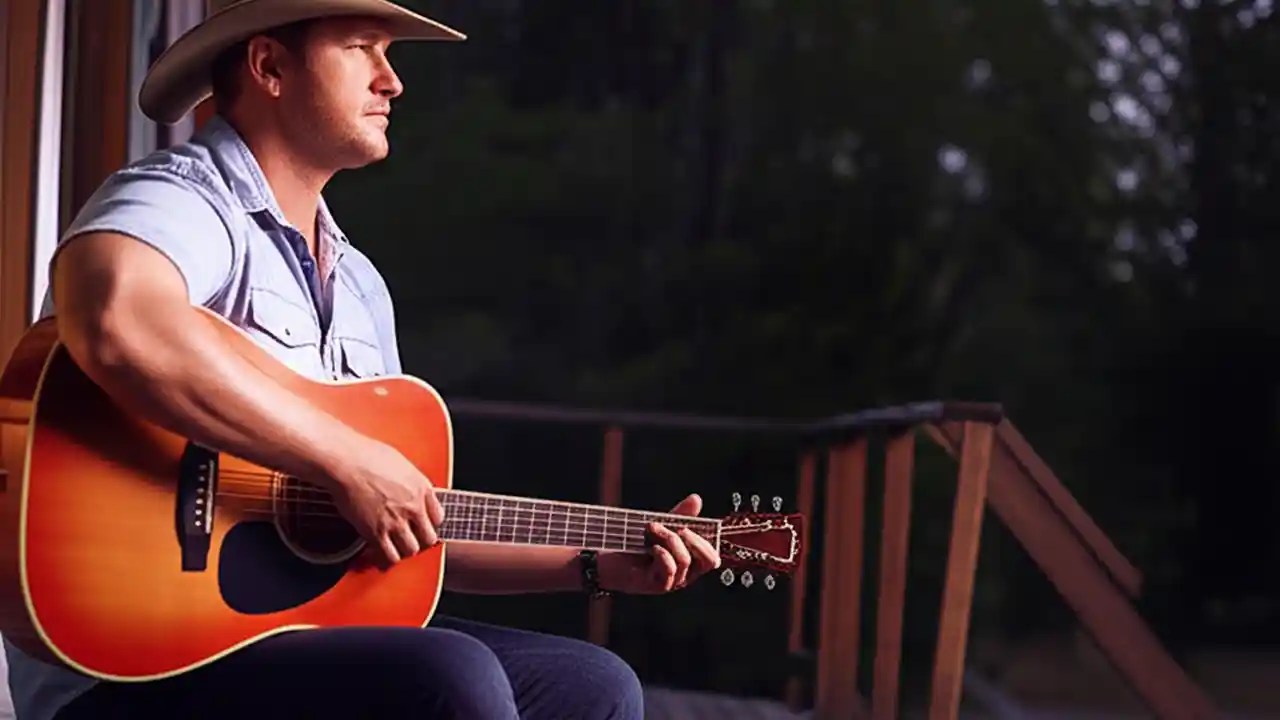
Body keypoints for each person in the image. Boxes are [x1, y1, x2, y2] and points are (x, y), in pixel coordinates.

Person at [4, 1, 722, 718]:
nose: (392, 81)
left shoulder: (356, 285)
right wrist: (343, 458)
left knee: (593, 686)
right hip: (127, 665)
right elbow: (117, 317)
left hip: (294, 637)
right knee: (449, 674)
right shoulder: (183, 199)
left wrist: (599, 564)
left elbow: (402, 525)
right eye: (360, 48)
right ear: (270, 66)